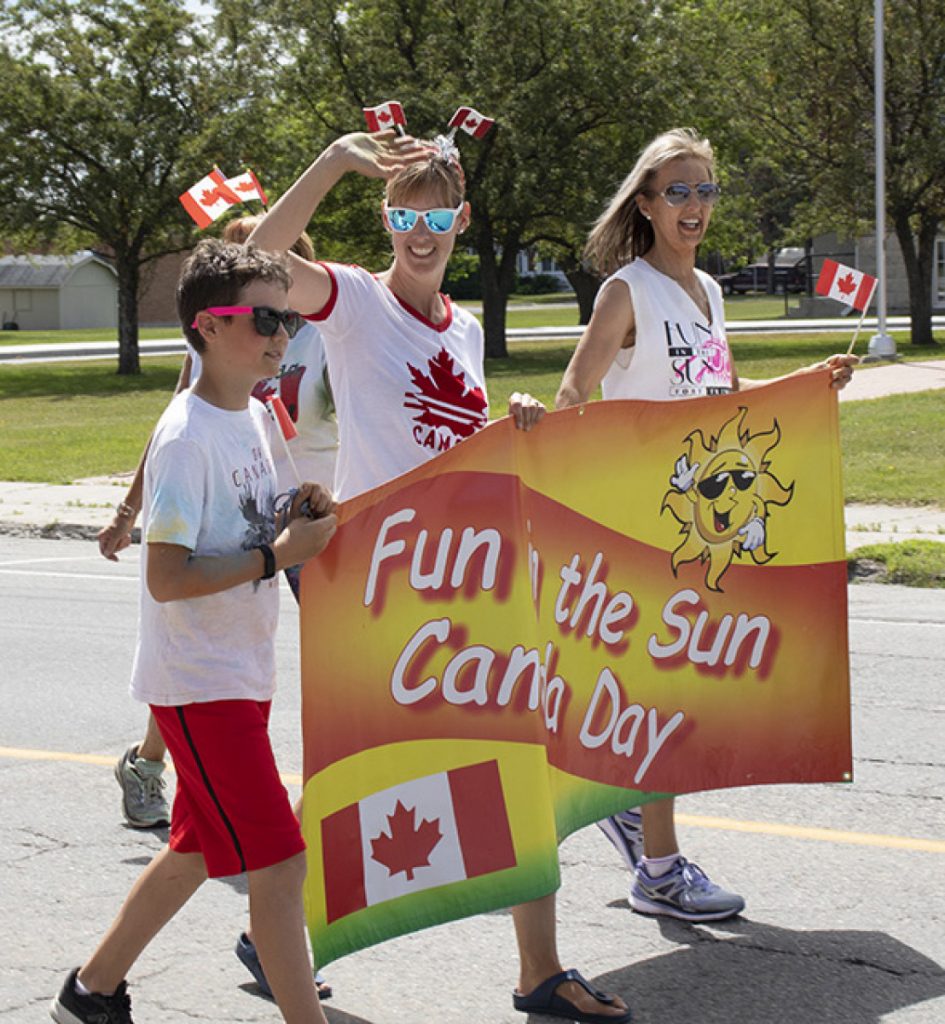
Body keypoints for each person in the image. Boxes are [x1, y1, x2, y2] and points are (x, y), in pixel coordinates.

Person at [249, 129, 629, 1023]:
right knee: (361, 766)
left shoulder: (460, 322)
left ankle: (539, 970)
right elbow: (259, 260)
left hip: (469, 569)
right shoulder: (348, 298)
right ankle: (271, 920)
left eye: (434, 216)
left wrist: (519, 418)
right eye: (402, 214)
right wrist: (338, 162)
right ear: (386, 217)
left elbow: (455, 435)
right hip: (373, 574)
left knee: (519, 758)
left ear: (460, 219)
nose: (419, 233)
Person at [555, 127, 857, 924]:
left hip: (705, 525)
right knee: (663, 695)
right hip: (641, 524)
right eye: (677, 192)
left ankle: (629, 814)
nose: (694, 206)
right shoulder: (627, 290)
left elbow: (719, 396)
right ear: (646, 204)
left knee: (682, 691)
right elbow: (573, 391)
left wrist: (804, 382)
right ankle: (655, 868)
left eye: (705, 191)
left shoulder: (708, 293)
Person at [51, 239, 338, 1024]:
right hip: (198, 682)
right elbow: (167, 577)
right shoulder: (184, 440)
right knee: (278, 865)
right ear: (209, 327)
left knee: (196, 848)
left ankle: (91, 991)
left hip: (241, 670)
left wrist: (302, 508)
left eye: (290, 317)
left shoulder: (256, 413)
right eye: (266, 317)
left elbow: (274, 519)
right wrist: (273, 555)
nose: (283, 334)